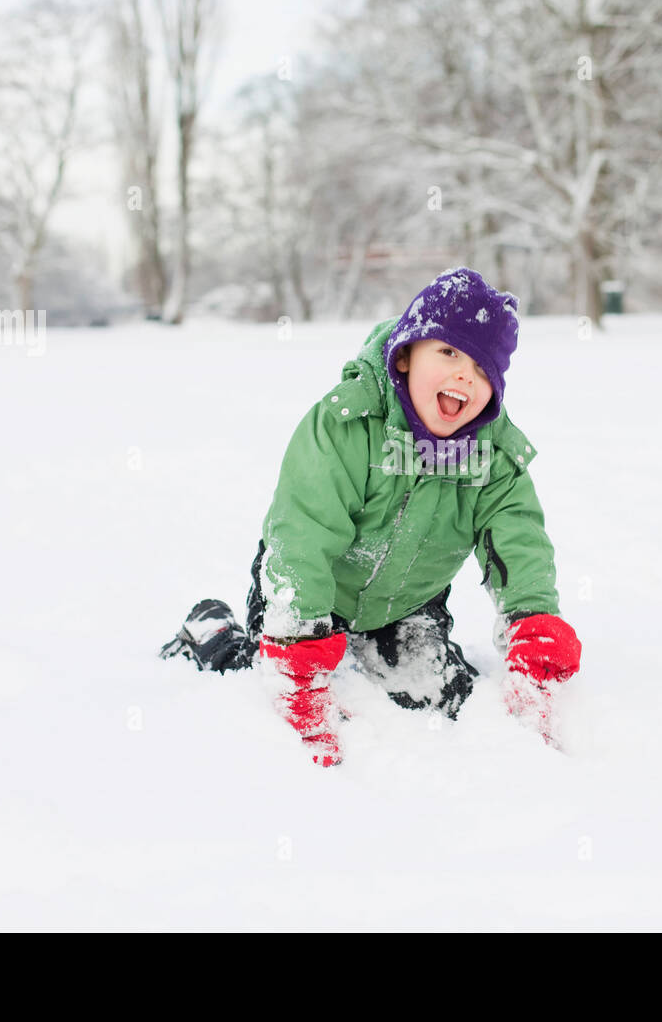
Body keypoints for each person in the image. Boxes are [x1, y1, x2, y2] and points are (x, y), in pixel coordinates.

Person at [159, 266, 582, 766]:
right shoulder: (348, 424)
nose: (464, 373)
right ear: (405, 355)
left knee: (439, 694)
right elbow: (303, 532)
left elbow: (519, 539)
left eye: (483, 367)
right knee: (260, 682)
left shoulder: (492, 458)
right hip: (314, 588)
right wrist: (296, 642)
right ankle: (213, 631)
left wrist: (532, 620)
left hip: (407, 602)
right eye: (448, 351)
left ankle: (380, 653)